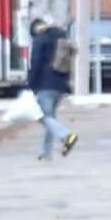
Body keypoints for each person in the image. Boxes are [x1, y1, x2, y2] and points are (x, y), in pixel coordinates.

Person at [25, 13, 79, 160]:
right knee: (50, 119)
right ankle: (46, 153)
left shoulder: (40, 39)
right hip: (60, 86)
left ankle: (66, 136)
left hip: (45, 85)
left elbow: (35, 64)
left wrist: (30, 84)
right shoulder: (61, 36)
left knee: (42, 116)